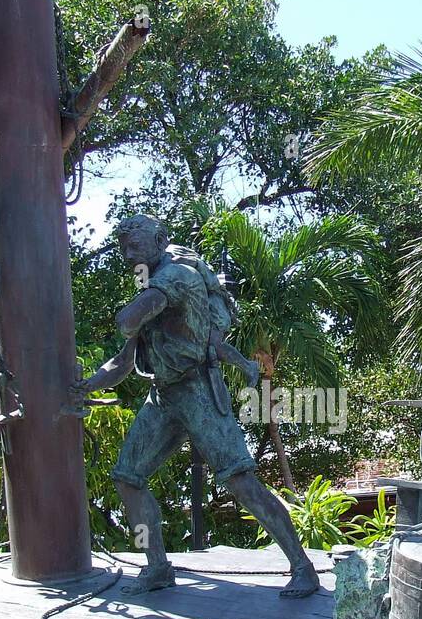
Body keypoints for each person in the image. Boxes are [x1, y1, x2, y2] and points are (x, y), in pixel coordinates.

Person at [69, 214, 320, 598]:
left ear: (160, 240)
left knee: (240, 481)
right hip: (165, 394)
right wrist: (86, 385)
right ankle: (157, 567)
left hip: (199, 390)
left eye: (134, 246)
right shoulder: (150, 279)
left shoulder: (176, 276)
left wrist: (137, 302)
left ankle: (302, 567)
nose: (128, 254)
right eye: (124, 247)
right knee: (128, 476)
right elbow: (124, 359)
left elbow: (126, 322)